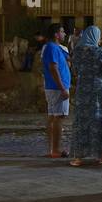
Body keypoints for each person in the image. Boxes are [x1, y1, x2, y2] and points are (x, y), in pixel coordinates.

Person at [68, 25, 102, 166]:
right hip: (99, 92)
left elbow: (74, 71)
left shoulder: (77, 53)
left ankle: (78, 158)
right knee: (100, 120)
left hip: (83, 91)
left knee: (82, 121)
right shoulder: (100, 53)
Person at [41, 23, 72, 159]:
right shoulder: (52, 48)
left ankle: (52, 149)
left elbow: (67, 59)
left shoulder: (55, 48)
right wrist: (62, 88)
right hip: (56, 88)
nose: (64, 34)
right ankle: (55, 149)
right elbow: (53, 68)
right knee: (58, 118)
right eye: (62, 31)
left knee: (53, 117)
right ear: (56, 34)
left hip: (55, 87)